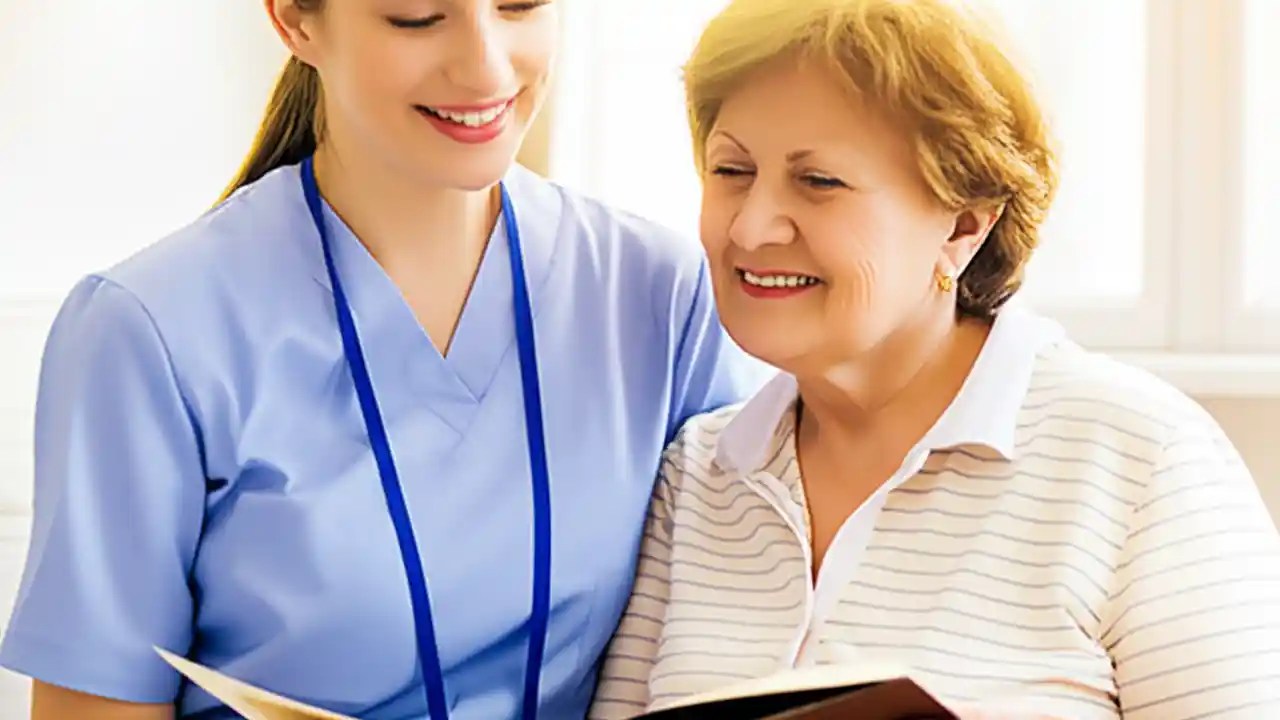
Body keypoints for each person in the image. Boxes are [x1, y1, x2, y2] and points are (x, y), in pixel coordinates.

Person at [0, 1, 766, 718]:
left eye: (521, 4)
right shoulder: (148, 331)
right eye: (417, 17)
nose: (487, 69)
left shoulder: (658, 294)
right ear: (295, 19)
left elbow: (738, 641)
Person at [588, 0, 1280, 719]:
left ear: (965, 223)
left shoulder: (1140, 460)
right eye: (732, 169)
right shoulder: (698, 473)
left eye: (819, 181)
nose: (753, 226)